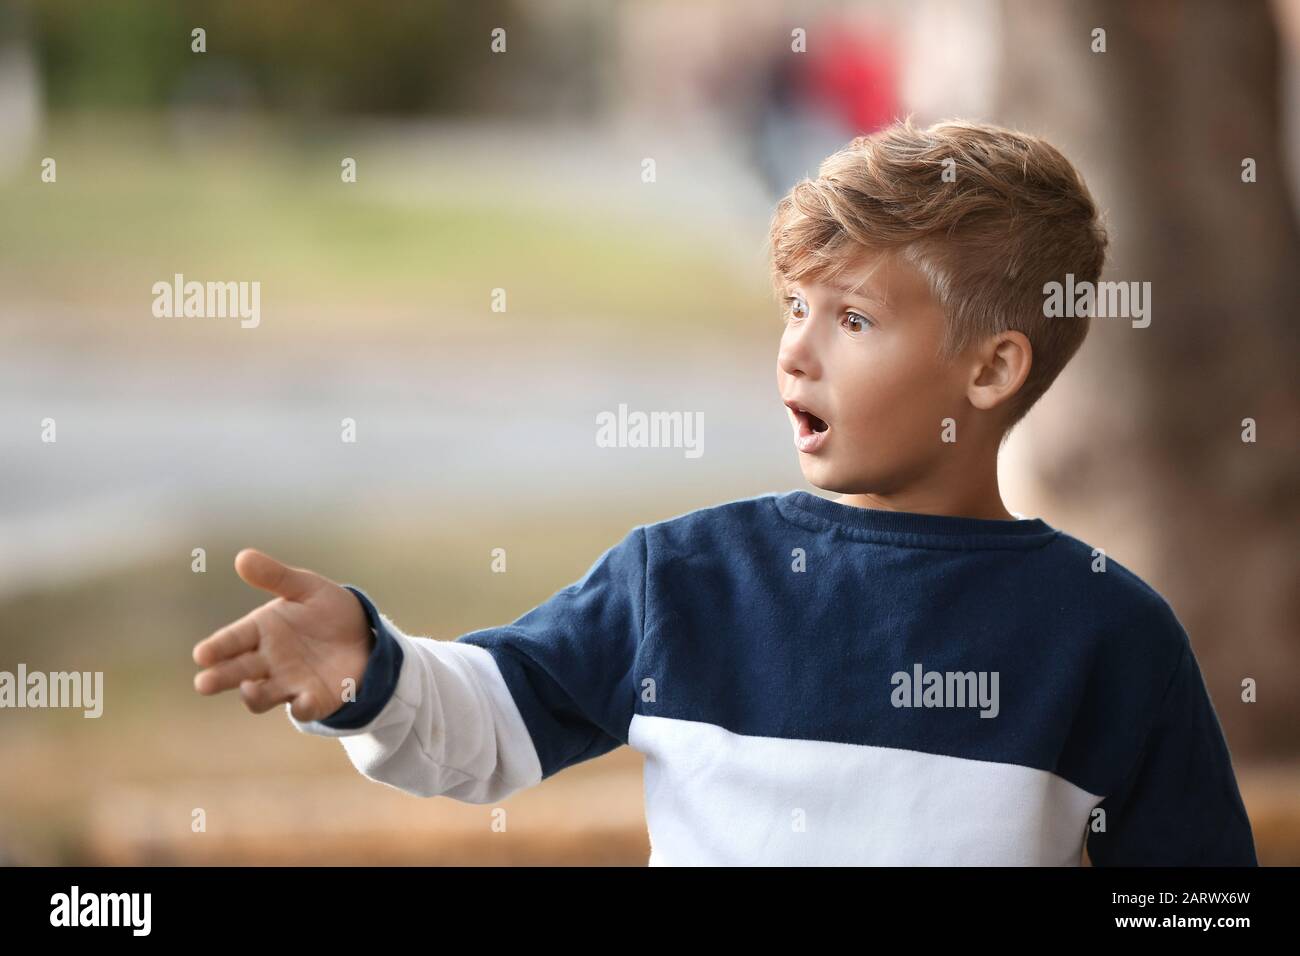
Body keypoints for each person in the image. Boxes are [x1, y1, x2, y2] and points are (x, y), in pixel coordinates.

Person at [193, 118, 1257, 866]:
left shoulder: (1109, 632)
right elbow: (483, 727)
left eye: (850, 319)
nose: (795, 351)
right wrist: (368, 668)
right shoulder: (684, 580)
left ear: (989, 371)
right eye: (793, 305)